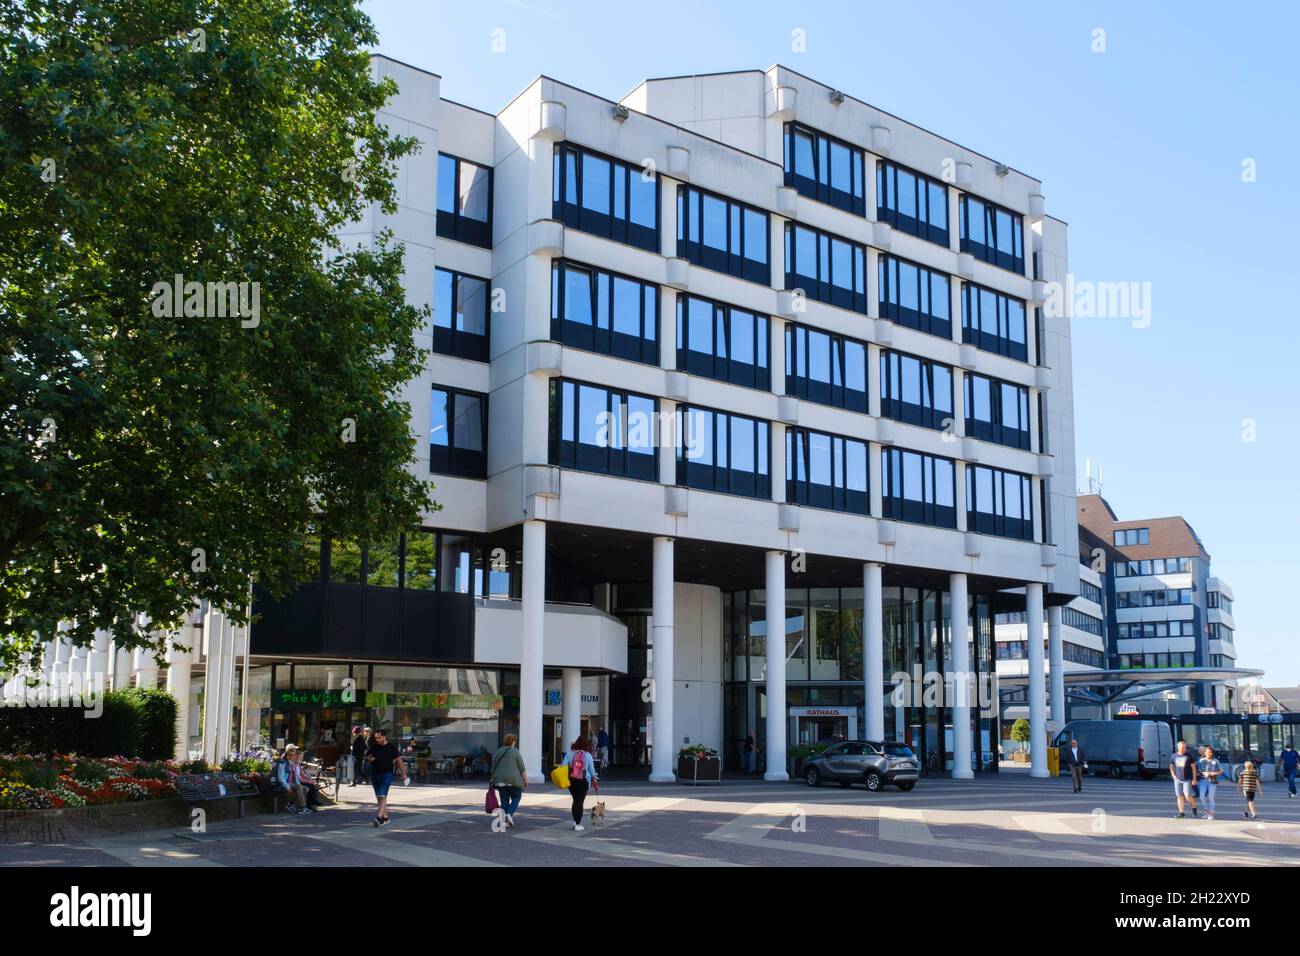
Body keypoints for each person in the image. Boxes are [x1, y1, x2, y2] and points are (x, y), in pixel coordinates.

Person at [365, 728, 405, 827]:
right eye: (376, 738)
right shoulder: (374, 747)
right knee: (380, 797)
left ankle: (378, 817)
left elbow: (399, 760)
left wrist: (403, 773)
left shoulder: (391, 747)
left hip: (387, 774)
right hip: (375, 774)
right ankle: (386, 818)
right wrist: (369, 759)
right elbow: (367, 757)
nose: (377, 740)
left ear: (384, 737)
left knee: (382, 795)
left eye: (379, 738)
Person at [561, 734, 599, 832]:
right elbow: (591, 770)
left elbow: (563, 766)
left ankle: (574, 821)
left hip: (572, 781)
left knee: (575, 800)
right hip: (584, 781)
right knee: (580, 802)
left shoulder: (570, 754)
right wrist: (594, 777)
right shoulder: (588, 755)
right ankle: (578, 824)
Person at [489, 733, 527, 830]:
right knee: (516, 797)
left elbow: (493, 768)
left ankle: (503, 821)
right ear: (513, 742)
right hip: (513, 780)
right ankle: (509, 815)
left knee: (504, 800)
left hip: (500, 780)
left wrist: (492, 778)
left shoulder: (498, 752)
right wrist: (525, 780)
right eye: (515, 741)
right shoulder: (515, 752)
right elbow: (522, 768)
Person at [275, 744, 312, 814]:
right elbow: (281, 777)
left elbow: (295, 777)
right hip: (283, 784)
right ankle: (302, 808)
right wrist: (287, 787)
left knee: (306, 789)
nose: (295, 753)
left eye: (294, 752)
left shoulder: (291, 763)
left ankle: (291, 804)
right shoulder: (282, 763)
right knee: (299, 787)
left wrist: (298, 784)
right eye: (293, 751)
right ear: (289, 753)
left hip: (292, 784)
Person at [1170, 739, 1199, 818]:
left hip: (1187, 779)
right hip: (1177, 779)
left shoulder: (1189, 756)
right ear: (1178, 747)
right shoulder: (1174, 756)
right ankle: (1182, 813)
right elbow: (1171, 766)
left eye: (1184, 747)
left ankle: (1194, 807)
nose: (1183, 749)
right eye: (1181, 747)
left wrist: (1194, 779)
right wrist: (1173, 775)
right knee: (1179, 795)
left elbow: (1193, 768)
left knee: (1187, 795)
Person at [1197, 746, 1223, 820]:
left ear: (1212, 753)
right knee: (1202, 797)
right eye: (1207, 752)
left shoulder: (1215, 761)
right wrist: (1204, 773)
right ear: (1204, 753)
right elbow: (1198, 770)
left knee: (1210, 797)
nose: (1209, 753)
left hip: (1212, 781)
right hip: (1203, 780)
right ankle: (1206, 812)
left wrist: (1212, 773)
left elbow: (1221, 771)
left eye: (1210, 752)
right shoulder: (1201, 760)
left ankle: (1211, 814)